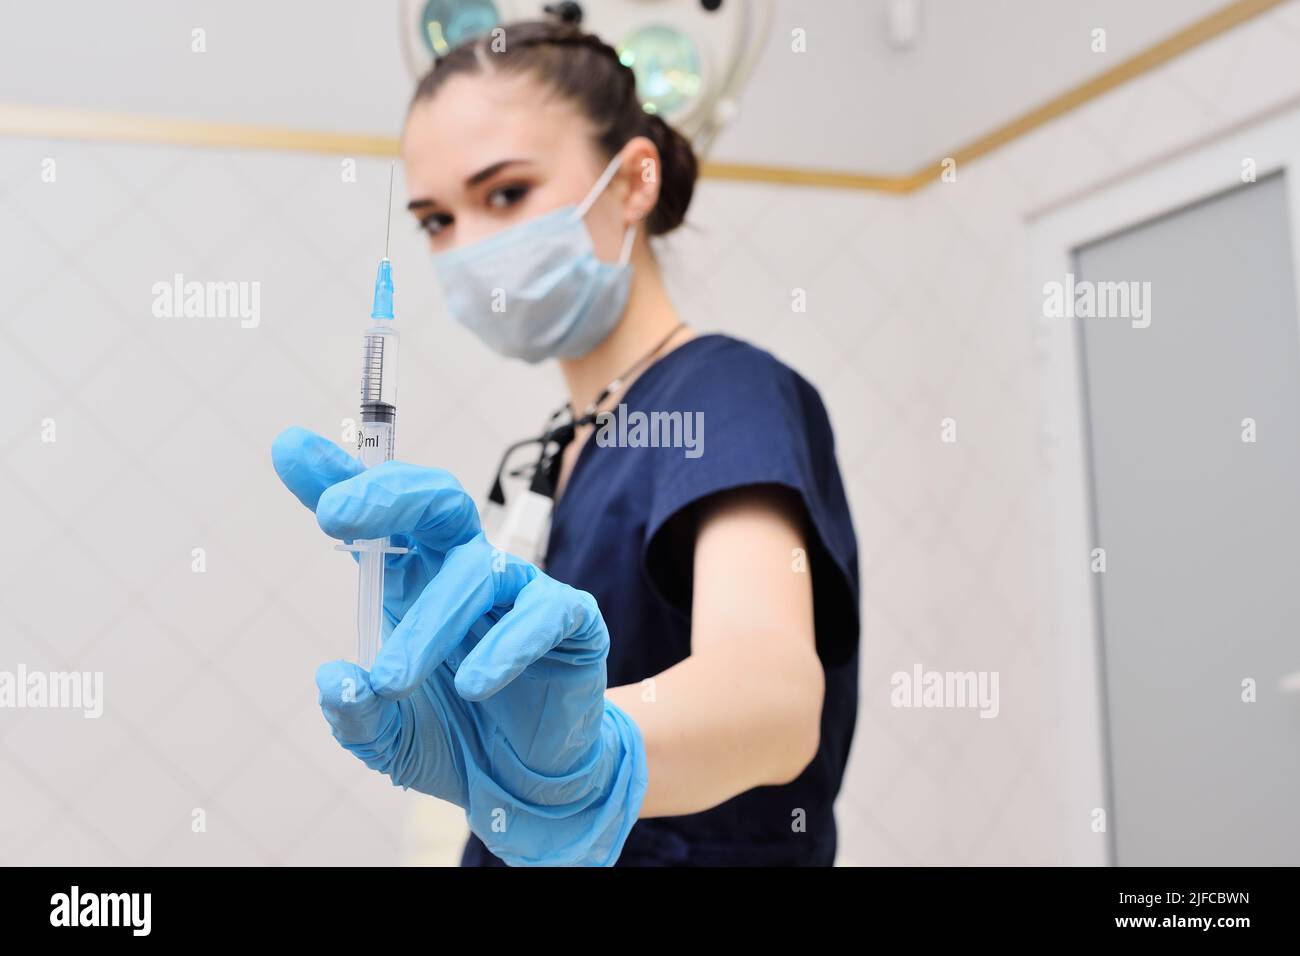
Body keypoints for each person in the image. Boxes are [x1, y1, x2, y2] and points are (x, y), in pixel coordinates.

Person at [271, 18, 860, 866]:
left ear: (631, 185)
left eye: (505, 193)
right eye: (435, 219)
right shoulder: (558, 444)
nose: (468, 246)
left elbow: (772, 694)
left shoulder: (726, 394)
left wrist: (593, 757)